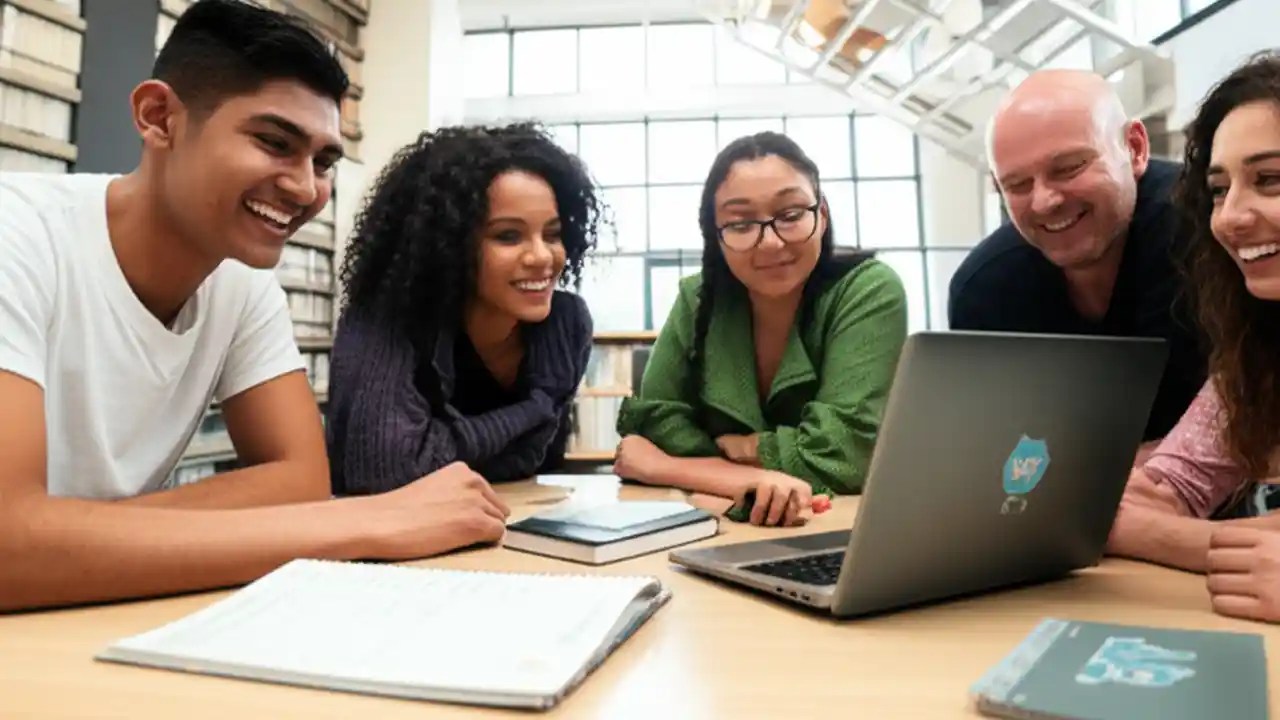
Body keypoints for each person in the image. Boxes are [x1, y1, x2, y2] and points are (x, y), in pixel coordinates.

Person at [0, 0, 509, 613]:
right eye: (274, 142)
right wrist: (372, 522)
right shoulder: (18, 235)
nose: (306, 188)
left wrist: (68, 534)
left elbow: (300, 481)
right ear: (159, 117)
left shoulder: (239, 278)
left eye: (322, 162)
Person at [614, 132, 907, 527]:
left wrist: (668, 467)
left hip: (838, 530)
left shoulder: (868, 289)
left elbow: (844, 459)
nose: (770, 243)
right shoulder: (697, 298)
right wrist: (756, 475)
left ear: (821, 216)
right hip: (714, 528)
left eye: (790, 215)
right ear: (714, 235)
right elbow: (652, 424)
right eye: (740, 223)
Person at [326, 123, 599, 494]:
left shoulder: (565, 324)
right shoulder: (386, 318)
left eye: (552, 234)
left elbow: (530, 459)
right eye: (508, 235)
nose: (541, 256)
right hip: (390, 542)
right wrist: (535, 409)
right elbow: (384, 472)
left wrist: (440, 449)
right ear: (448, 245)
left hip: (506, 527)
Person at [1106, 52, 1280, 624]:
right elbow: (1146, 497)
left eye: (1270, 180)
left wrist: (1167, 536)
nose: (1228, 218)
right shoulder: (1258, 352)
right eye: (1219, 188)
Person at [948, 69, 1206, 451]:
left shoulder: (1210, 232)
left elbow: (1242, 428)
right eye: (1017, 185)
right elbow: (994, 447)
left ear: (1134, 148)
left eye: (1069, 168)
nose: (1044, 201)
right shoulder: (986, 285)